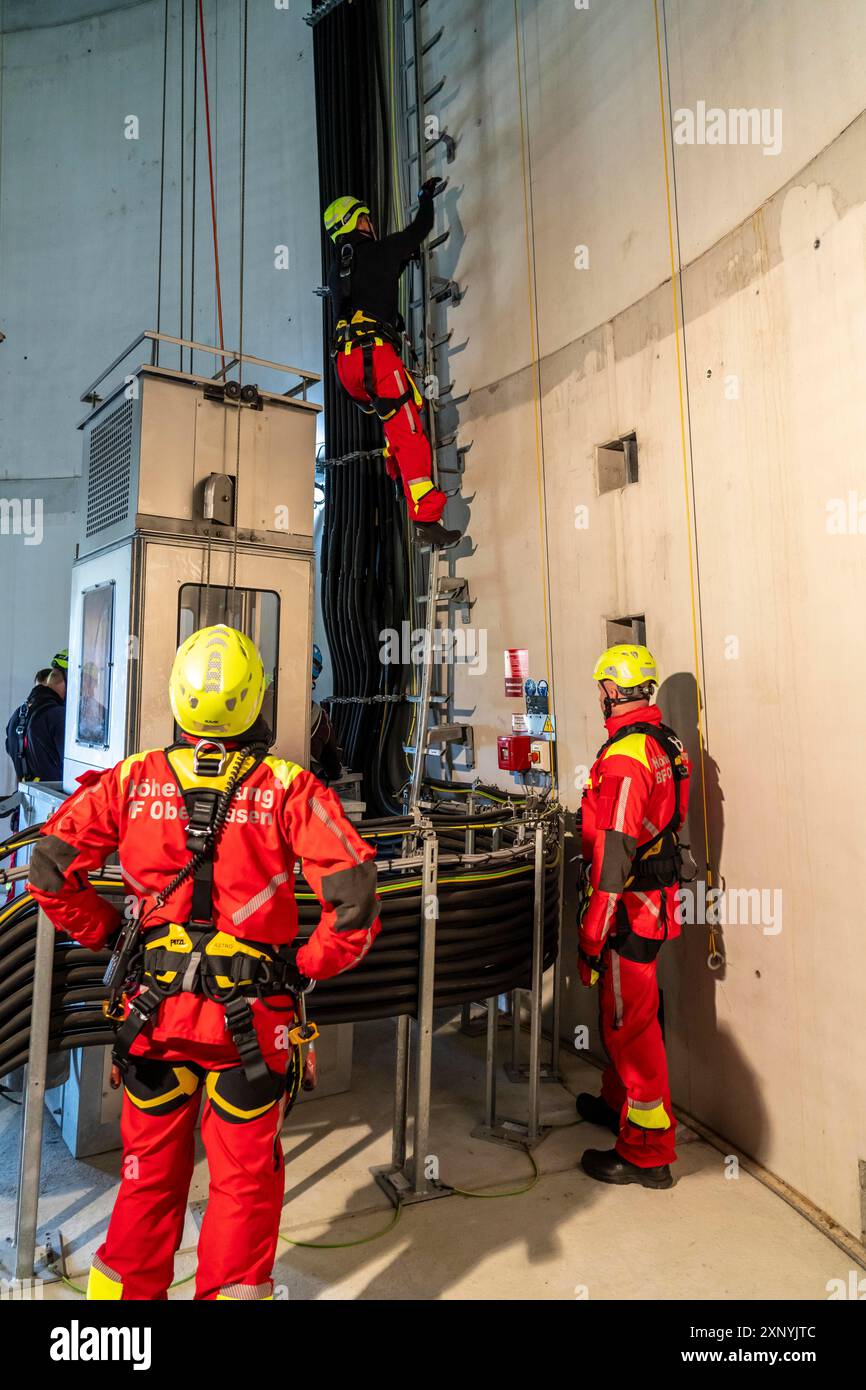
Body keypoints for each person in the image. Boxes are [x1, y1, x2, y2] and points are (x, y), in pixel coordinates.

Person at [28, 625, 382, 1300]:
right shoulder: (291, 788)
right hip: (252, 1027)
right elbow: (357, 899)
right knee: (244, 1191)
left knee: (145, 1181)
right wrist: (305, 966)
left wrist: (110, 935)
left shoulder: (131, 779)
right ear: (259, 701)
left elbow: (47, 869)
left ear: (176, 698)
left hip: (152, 1019)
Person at [575, 643, 690, 1190]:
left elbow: (617, 848)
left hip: (628, 907)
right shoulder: (667, 744)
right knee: (629, 1011)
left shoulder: (626, 756)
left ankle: (647, 1151)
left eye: (602, 688)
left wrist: (593, 927)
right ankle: (617, 1100)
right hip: (655, 901)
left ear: (613, 690)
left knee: (630, 1024)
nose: (600, 697)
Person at [323, 184, 461, 549]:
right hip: (377, 357)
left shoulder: (338, 271)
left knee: (397, 420)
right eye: (365, 218)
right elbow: (420, 229)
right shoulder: (381, 251)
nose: (370, 224)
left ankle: (400, 481)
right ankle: (427, 519)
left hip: (346, 367)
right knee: (411, 431)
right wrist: (426, 199)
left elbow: (372, 289)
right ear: (356, 222)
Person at [5, 663, 67, 785]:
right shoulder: (58, 715)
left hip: (26, 799)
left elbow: (10, 749)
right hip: (57, 799)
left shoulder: (17, 715)